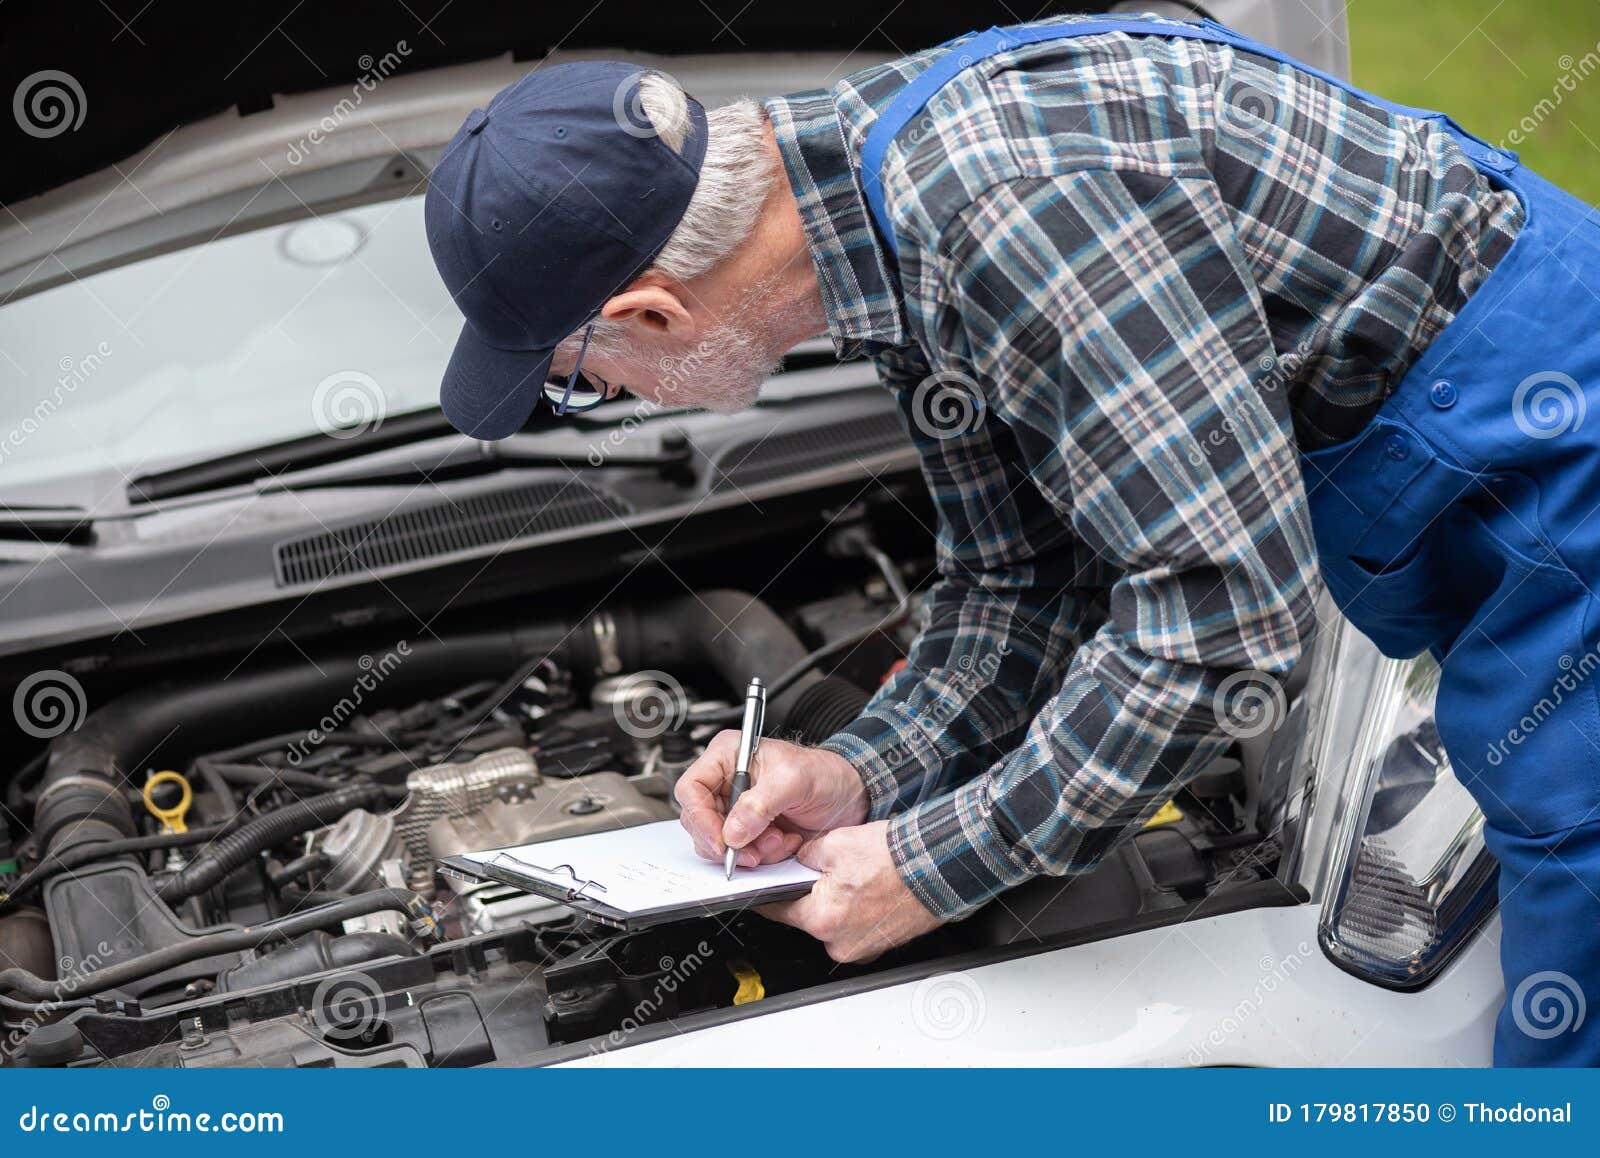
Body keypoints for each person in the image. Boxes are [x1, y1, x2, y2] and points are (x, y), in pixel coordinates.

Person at [423, 14, 1600, 1065]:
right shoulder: (877, 220)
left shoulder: (1007, 210)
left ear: (648, 311)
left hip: (1559, 453)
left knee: (1579, 901)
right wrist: (858, 774)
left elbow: (1218, 623)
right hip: (1481, 479)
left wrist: (933, 870)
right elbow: (1022, 580)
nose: (604, 400)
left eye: (581, 379)